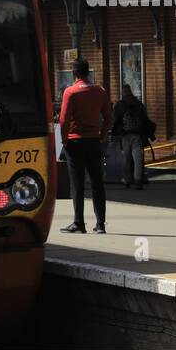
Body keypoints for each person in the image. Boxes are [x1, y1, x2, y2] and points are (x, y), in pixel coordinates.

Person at [59, 60, 112, 234]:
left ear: (74, 74)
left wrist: (64, 140)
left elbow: (64, 119)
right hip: (94, 141)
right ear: (88, 73)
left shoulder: (70, 92)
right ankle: (101, 224)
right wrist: (102, 135)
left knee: (77, 183)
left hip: (75, 143)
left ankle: (79, 222)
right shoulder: (100, 91)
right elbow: (108, 117)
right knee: (97, 183)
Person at [111, 85, 152, 190]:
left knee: (127, 158)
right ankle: (138, 179)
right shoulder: (138, 103)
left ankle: (128, 179)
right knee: (138, 158)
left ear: (123, 92)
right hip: (137, 135)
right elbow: (145, 118)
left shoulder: (119, 105)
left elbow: (114, 120)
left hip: (125, 135)